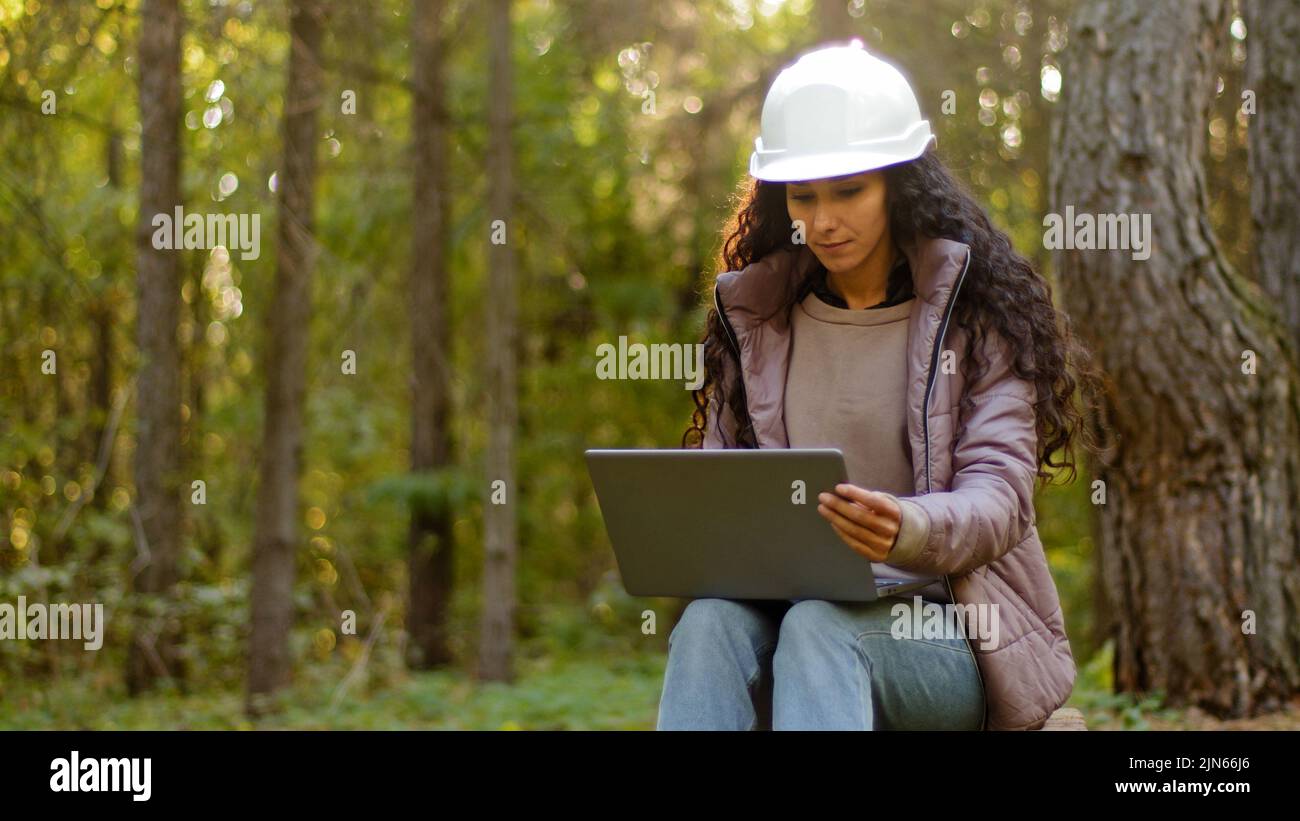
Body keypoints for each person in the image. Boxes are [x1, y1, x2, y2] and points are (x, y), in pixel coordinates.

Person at [659, 42, 1106, 731]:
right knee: (706, 624)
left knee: (819, 625)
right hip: (788, 625)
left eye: (849, 190)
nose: (825, 219)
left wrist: (910, 527)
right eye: (803, 195)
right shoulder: (757, 320)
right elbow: (721, 489)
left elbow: (1002, 497)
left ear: (898, 184)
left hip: (943, 638)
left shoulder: (977, 317)